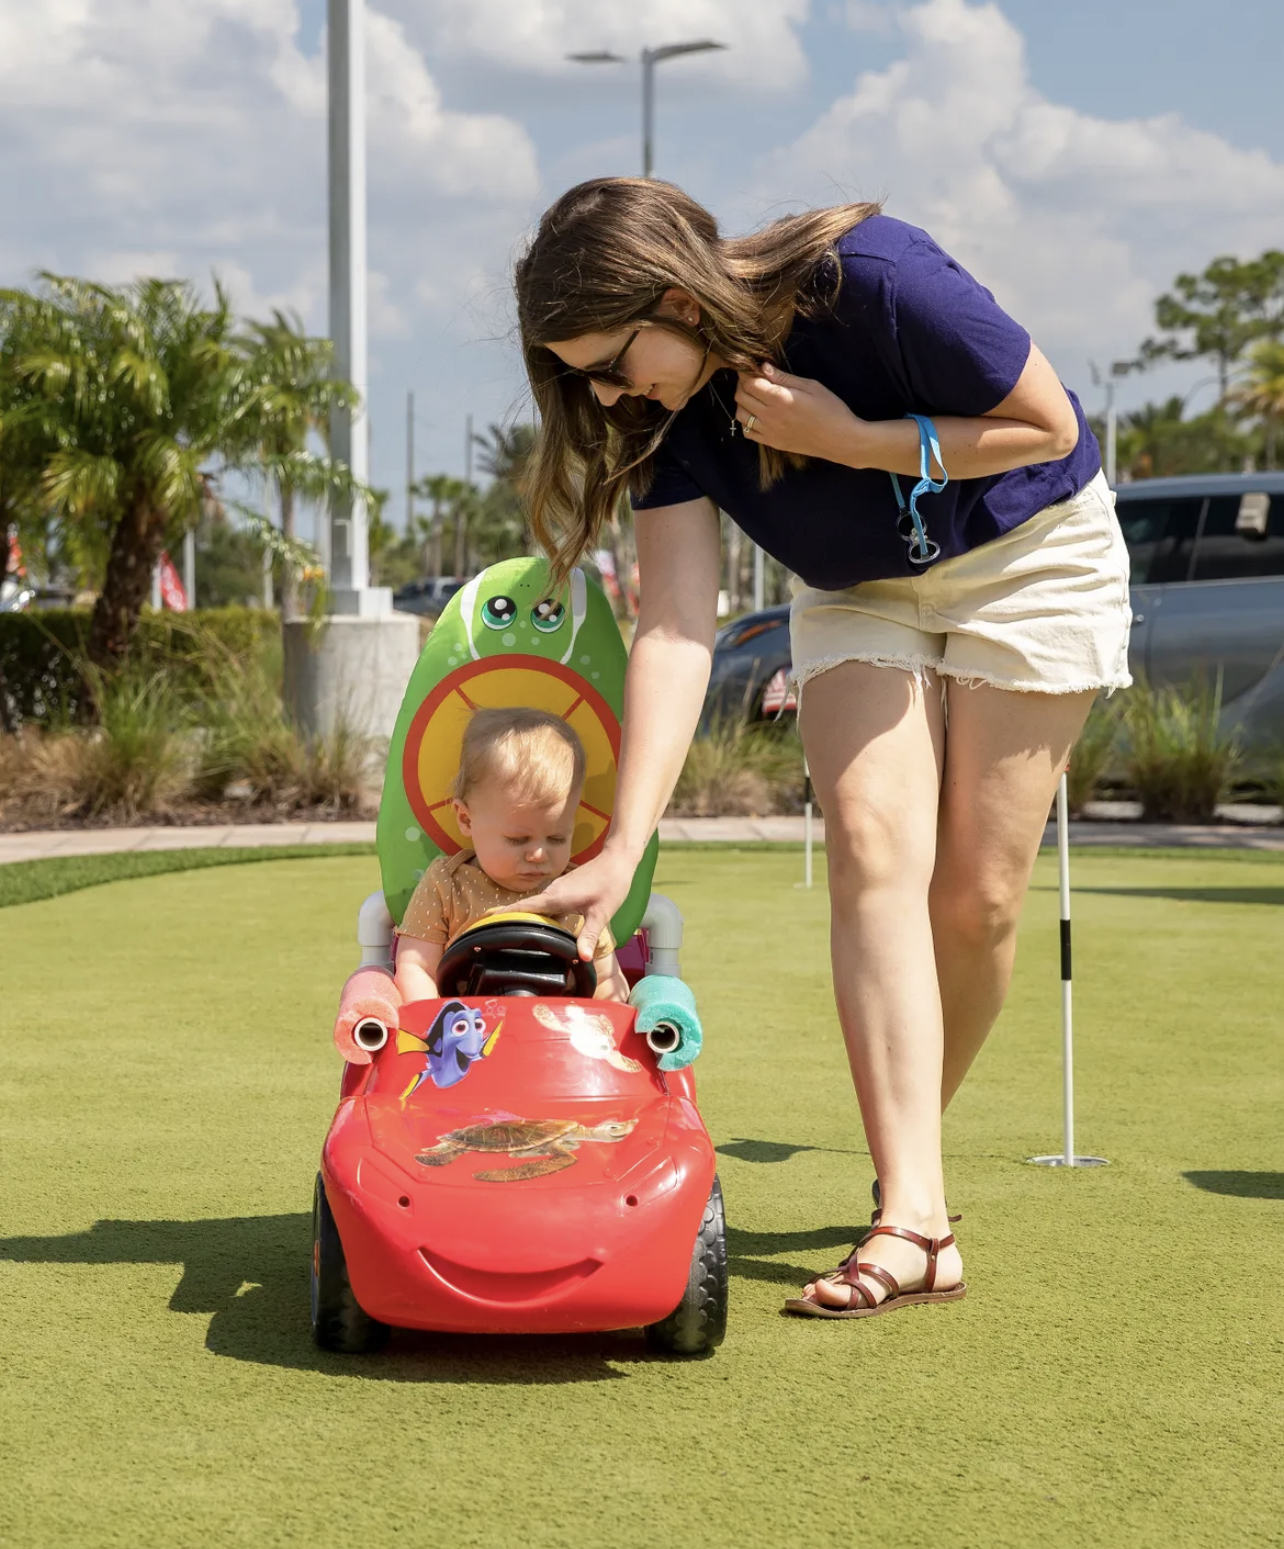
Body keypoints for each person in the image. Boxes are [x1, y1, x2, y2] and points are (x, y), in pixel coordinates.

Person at [511, 177, 1132, 1320]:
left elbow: (1051, 424)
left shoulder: (876, 279)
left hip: (1028, 555)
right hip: (863, 593)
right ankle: (915, 1217)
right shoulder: (662, 418)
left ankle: (911, 1176)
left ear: (674, 295)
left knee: (977, 902)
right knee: (867, 845)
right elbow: (678, 626)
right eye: (582, 376)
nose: (604, 393)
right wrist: (621, 844)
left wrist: (852, 440)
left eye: (611, 359)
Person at [394, 706, 630, 1005]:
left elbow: (607, 981)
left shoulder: (579, 890)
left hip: (559, 1040)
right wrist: (434, 1027)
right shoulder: (448, 884)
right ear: (466, 819)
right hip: (466, 1041)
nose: (538, 854)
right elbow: (417, 968)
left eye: (557, 837)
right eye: (518, 839)